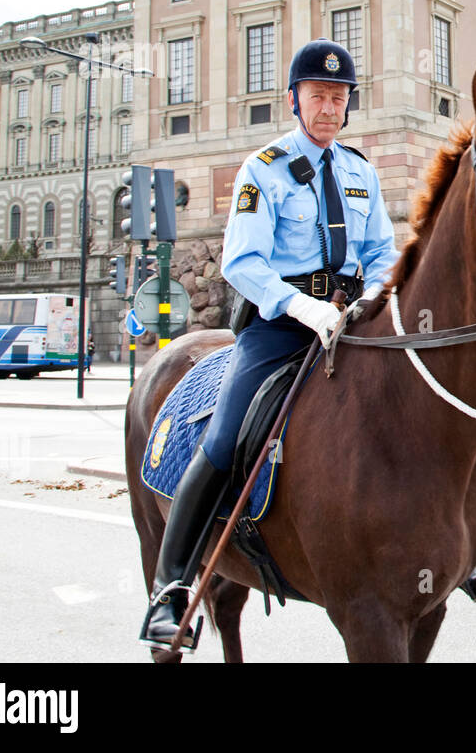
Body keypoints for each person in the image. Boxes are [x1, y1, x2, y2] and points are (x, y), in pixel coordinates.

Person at [140, 39, 399, 652]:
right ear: (294, 100)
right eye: (318, 96)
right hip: (280, 326)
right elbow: (241, 262)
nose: (329, 107)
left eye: (339, 98)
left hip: (352, 318)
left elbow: (384, 249)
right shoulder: (265, 168)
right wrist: (304, 307)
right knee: (227, 438)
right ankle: (171, 587)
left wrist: (372, 295)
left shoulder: (361, 171)